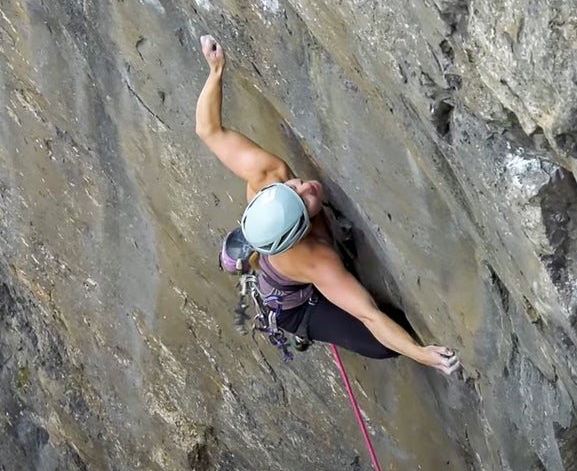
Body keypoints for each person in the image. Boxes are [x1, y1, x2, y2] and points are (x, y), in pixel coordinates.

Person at [195, 35, 461, 375]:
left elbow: (209, 131)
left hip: (282, 258)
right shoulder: (317, 260)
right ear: (300, 229)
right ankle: (312, 320)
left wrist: (216, 69)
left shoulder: (268, 174)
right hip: (296, 305)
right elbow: (370, 315)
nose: (307, 186)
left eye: (294, 188)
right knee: (383, 345)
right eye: (306, 200)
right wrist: (421, 353)